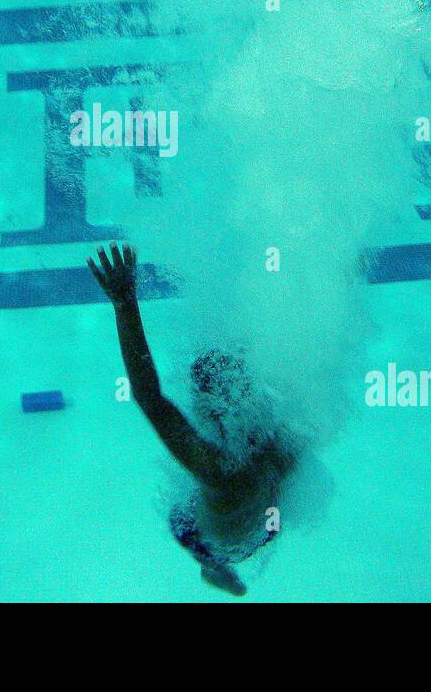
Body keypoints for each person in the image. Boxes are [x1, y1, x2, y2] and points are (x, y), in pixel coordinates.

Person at [88, 243, 296, 596]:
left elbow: (150, 398)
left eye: (201, 398)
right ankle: (217, 568)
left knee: (180, 519)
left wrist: (125, 303)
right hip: (260, 526)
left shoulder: (218, 467)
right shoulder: (278, 437)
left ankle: (212, 570)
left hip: (221, 539)